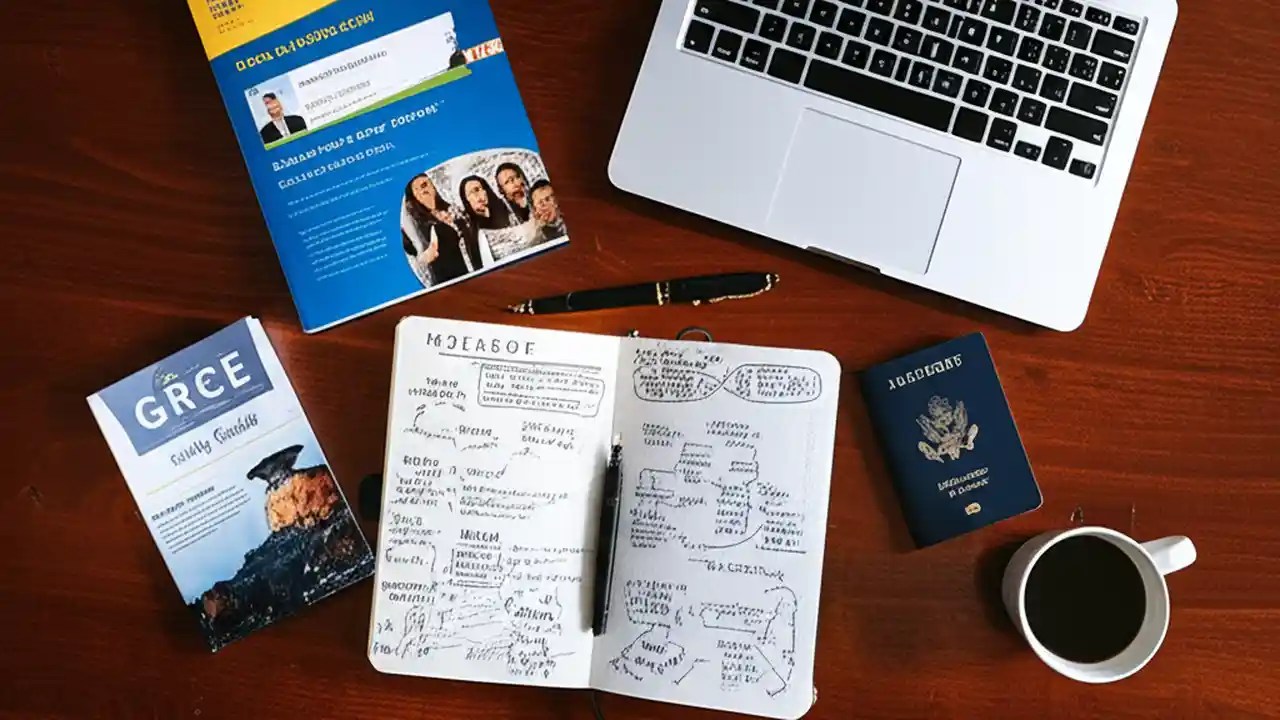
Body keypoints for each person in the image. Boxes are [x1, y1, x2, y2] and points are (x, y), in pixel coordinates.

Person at [403, 174, 488, 284]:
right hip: (451, 280)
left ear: (433, 186)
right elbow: (424, 255)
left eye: (424, 185)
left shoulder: (453, 210)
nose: (423, 192)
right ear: (414, 198)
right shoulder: (420, 226)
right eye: (417, 191)